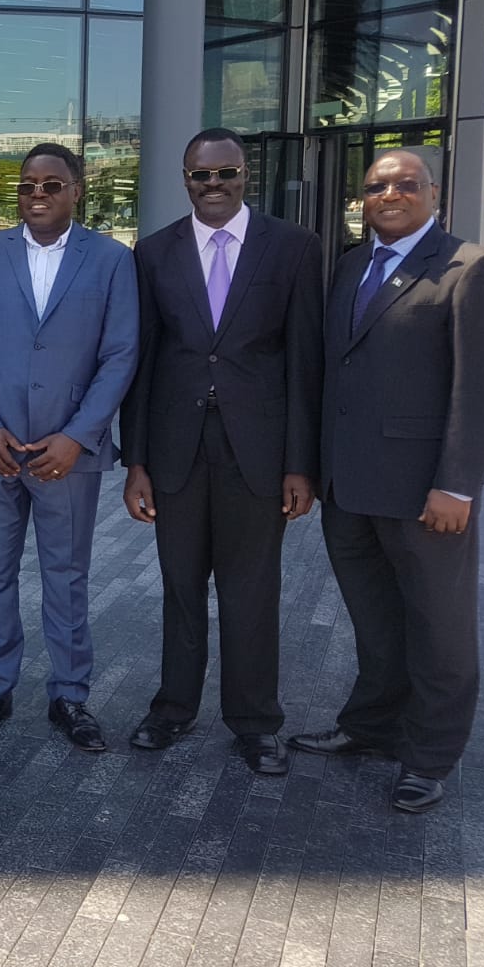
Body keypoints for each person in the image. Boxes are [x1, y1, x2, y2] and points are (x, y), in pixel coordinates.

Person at [290, 149, 484, 813]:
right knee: (376, 622)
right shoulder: (350, 266)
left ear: (433, 192)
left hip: (423, 494)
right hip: (349, 488)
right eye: (378, 186)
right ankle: (373, 726)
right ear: (363, 199)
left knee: (439, 627)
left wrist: (458, 486)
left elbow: (479, 391)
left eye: (407, 184)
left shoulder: (469, 268)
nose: (390, 194)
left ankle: (430, 755)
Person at [119, 128, 323, 776]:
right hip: (176, 452)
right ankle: (174, 708)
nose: (213, 185)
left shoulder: (292, 249)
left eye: (225, 173)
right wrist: (137, 463)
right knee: (181, 588)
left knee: (252, 591)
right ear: (185, 178)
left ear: (245, 176)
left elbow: (303, 364)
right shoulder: (152, 254)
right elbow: (142, 364)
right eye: (200, 175)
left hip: (257, 454)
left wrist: (300, 464)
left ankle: (257, 723)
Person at [0, 142, 139, 753]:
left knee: (67, 575)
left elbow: (120, 356)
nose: (37, 193)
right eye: (28, 183)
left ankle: (71, 695)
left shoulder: (112, 260)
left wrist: (77, 437)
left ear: (76, 190)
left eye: (51, 184)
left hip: (68, 454)